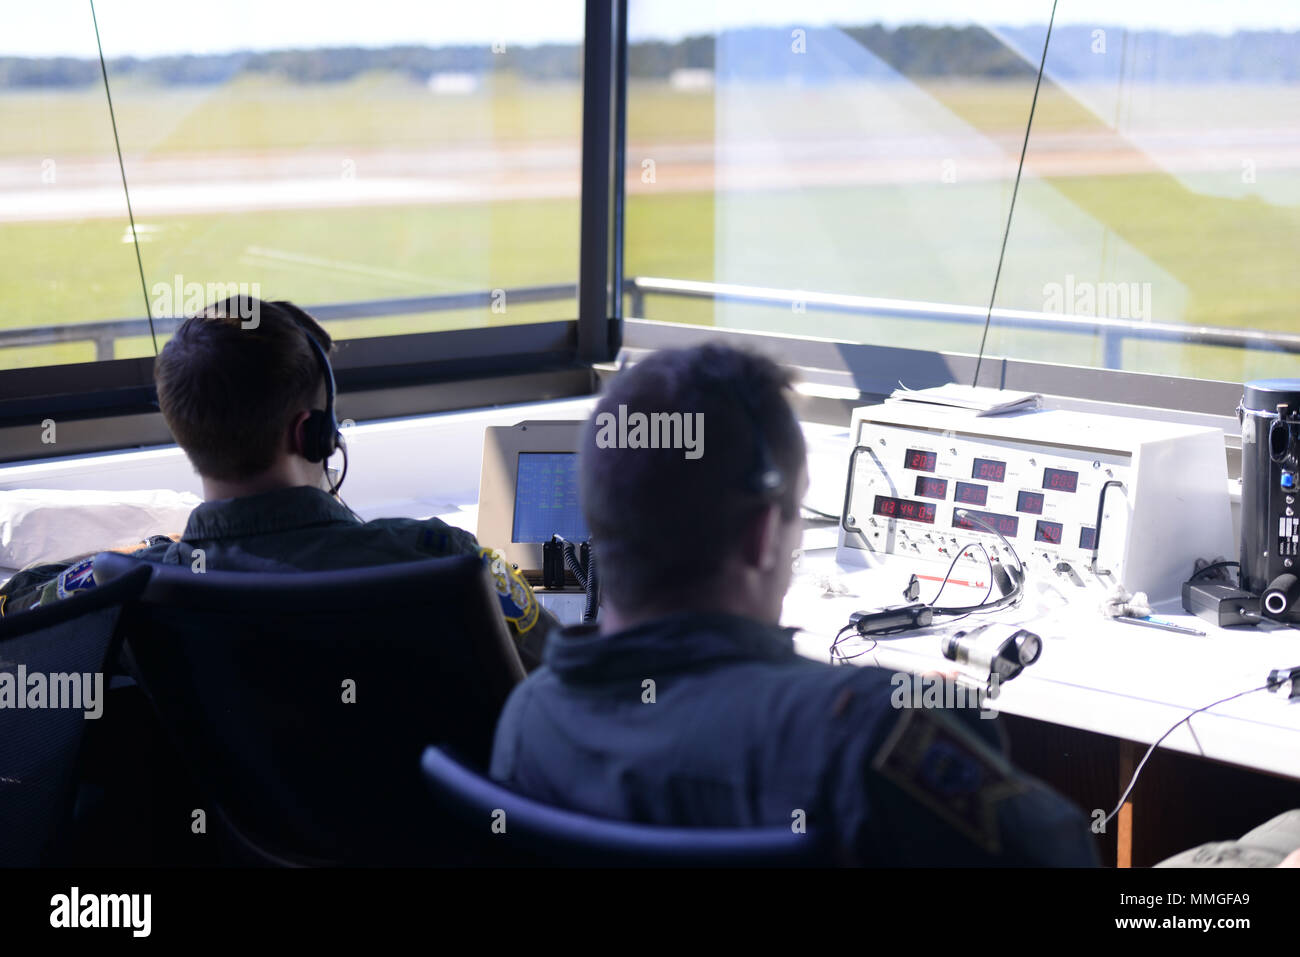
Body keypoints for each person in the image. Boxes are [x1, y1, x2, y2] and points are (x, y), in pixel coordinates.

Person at [490, 343, 1099, 865]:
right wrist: (940, 727)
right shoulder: (871, 737)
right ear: (761, 538)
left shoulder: (528, 720)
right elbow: (1061, 854)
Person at [0, 296, 553, 667]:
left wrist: (142, 553)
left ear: (184, 431)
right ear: (313, 432)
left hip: (245, 842)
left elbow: (21, 605)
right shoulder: (448, 561)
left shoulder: (129, 584)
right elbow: (569, 667)